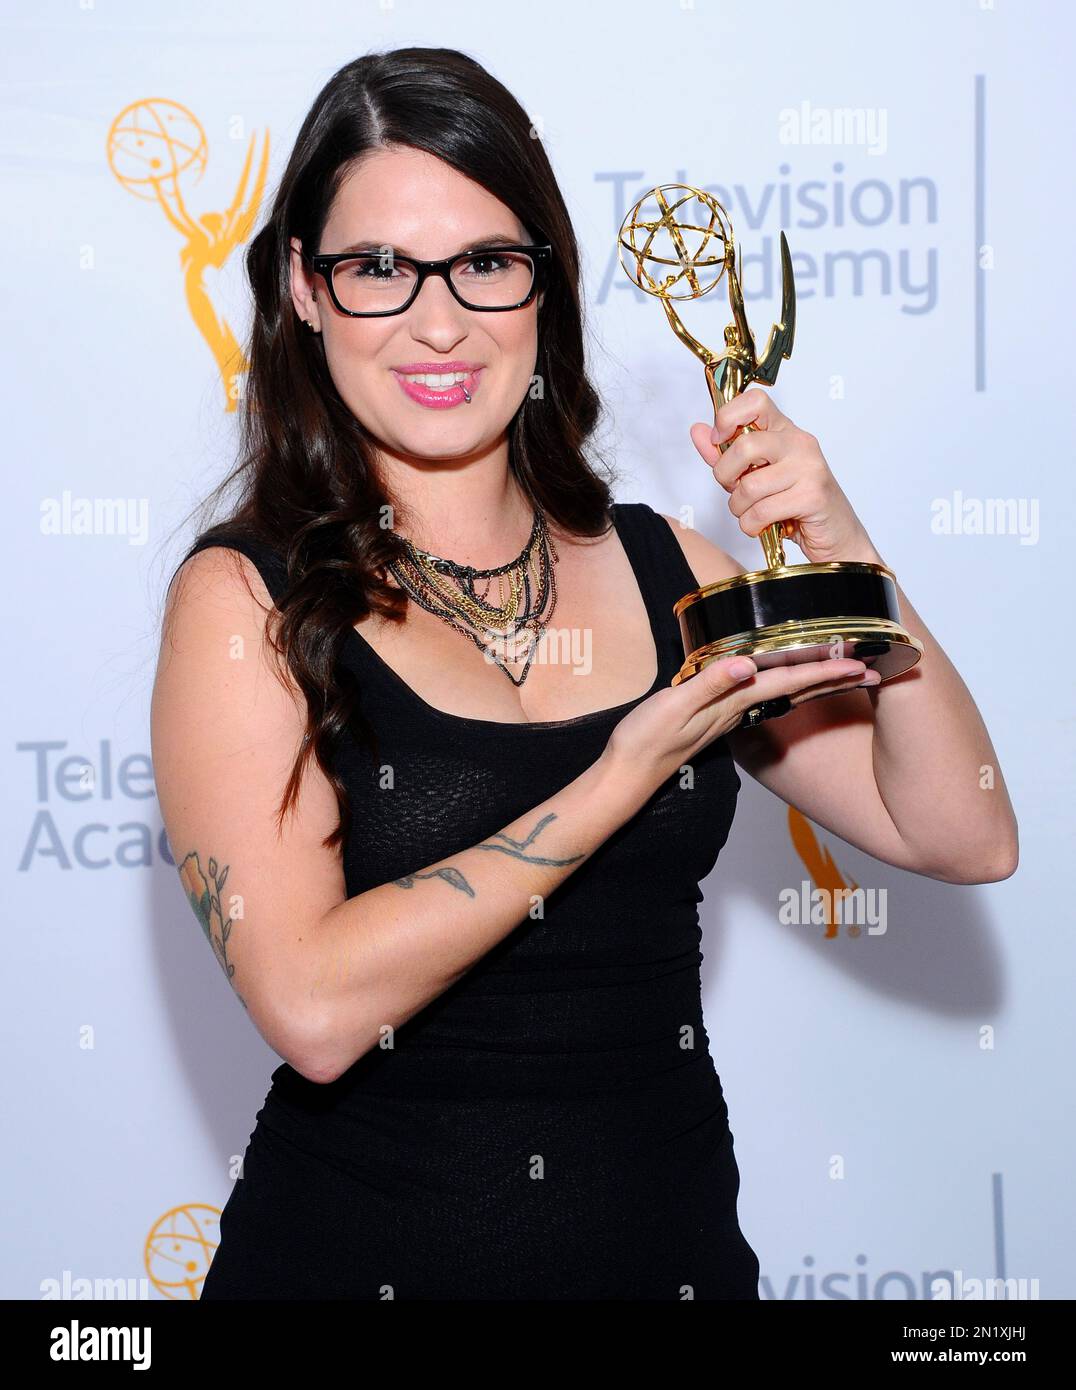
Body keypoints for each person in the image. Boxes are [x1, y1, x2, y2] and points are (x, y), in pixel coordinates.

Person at [151, 48, 1018, 1301]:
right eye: (379, 268)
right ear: (302, 286)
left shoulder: (669, 564)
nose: (437, 321)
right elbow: (313, 1007)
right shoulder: (247, 598)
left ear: (542, 288)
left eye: (485, 265)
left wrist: (845, 547)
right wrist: (619, 776)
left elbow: (959, 830)